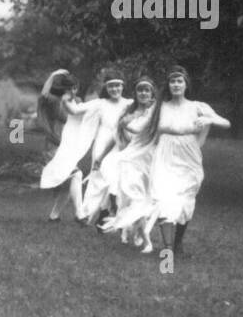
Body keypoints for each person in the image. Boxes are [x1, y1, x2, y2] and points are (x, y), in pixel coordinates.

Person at [145, 65, 231, 257]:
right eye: (172, 81)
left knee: (185, 200)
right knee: (165, 197)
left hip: (188, 157)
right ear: (168, 85)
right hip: (165, 155)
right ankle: (167, 250)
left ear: (186, 84)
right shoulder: (160, 107)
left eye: (179, 81)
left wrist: (210, 120)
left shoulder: (198, 107)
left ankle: (177, 245)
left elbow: (226, 123)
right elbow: (143, 126)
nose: (176, 85)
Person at [97, 77, 159, 250]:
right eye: (140, 90)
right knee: (132, 195)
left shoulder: (157, 111)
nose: (144, 93)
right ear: (136, 93)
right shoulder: (129, 111)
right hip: (132, 158)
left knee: (148, 197)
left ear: (152, 93)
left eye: (147, 90)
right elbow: (121, 131)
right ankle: (131, 231)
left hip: (151, 157)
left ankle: (138, 230)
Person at [37, 69, 101, 222]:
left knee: (68, 183)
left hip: (68, 146)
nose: (72, 91)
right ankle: (80, 214)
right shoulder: (53, 100)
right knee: (75, 174)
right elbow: (43, 95)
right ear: (62, 89)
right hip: (54, 145)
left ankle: (54, 216)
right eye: (68, 88)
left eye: (74, 88)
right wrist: (53, 75)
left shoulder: (77, 101)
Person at [78, 70, 134, 224]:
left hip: (121, 145)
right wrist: (67, 98)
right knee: (98, 179)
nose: (115, 89)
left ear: (122, 87)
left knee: (115, 179)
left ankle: (105, 213)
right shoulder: (100, 103)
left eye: (117, 86)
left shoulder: (129, 103)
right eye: (111, 87)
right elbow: (78, 109)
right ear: (106, 88)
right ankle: (86, 213)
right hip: (103, 143)